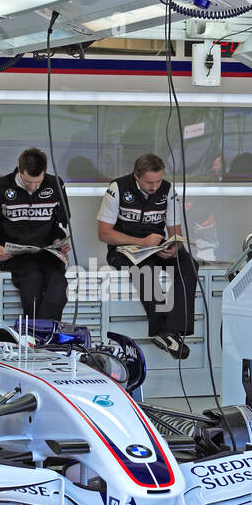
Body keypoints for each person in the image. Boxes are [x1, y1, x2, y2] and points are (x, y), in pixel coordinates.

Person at [97, 153, 197, 360]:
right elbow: (104, 233)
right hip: (124, 250)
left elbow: (175, 234)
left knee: (188, 263)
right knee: (146, 270)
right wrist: (142, 242)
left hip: (156, 246)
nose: (154, 187)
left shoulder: (167, 190)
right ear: (136, 176)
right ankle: (161, 330)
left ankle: (173, 331)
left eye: (158, 181)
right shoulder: (117, 188)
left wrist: (173, 248)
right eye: (149, 182)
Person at [0, 147, 71, 322]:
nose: (33, 187)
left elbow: (63, 221)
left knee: (58, 285)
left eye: (38, 181)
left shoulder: (56, 184)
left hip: (48, 253)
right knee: (32, 281)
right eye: (28, 181)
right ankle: (41, 336)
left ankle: (41, 335)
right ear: (19, 170)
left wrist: (59, 241)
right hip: (15, 256)